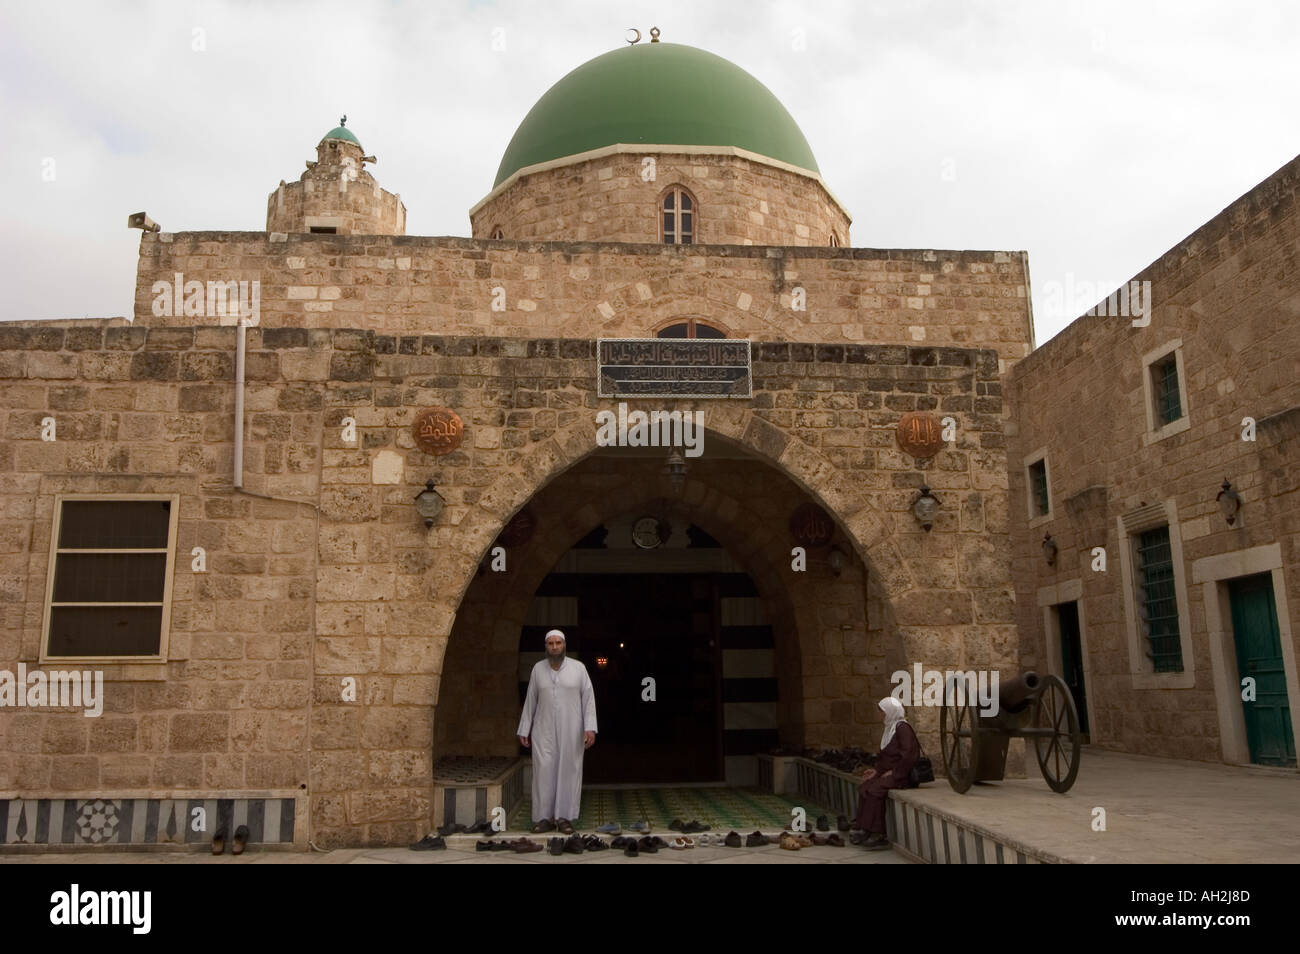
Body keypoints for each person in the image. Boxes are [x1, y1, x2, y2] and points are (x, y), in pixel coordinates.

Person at [517, 629, 597, 834]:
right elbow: (530, 700)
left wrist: (590, 728)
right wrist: (524, 728)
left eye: (558, 643)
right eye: (550, 644)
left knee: (569, 771)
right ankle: (544, 818)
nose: (554, 647)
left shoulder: (579, 668)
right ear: (546, 646)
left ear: (564, 645)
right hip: (543, 731)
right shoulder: (537, 669)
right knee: (543, 772)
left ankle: (564, 818)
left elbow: (588, 700)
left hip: (572, 731)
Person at [855, 697, 919, 850]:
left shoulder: (903, 728)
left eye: (882, 712)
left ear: (890, 712)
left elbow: (909, 755)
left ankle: (878, 834)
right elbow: (886, 756)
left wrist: (894, 772)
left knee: (875, 790)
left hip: (902, 775)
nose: (880, 715)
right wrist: (876, 771)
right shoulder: (890, 728)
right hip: (888, 773)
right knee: (865, 787)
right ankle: (866, 828)